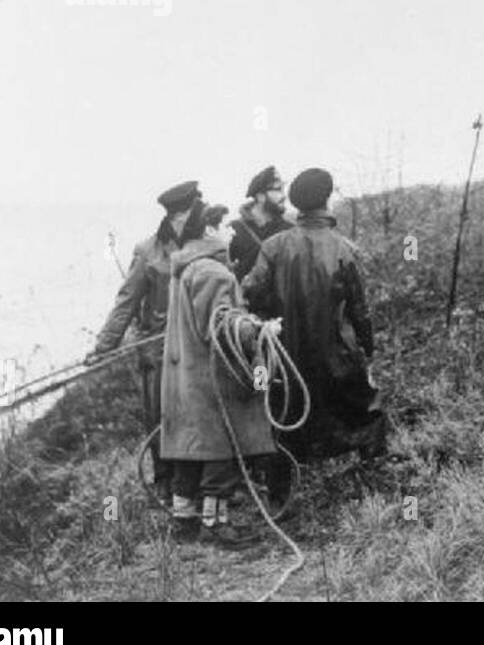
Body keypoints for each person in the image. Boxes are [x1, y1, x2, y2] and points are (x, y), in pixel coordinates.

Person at [161, 202, 282, 549]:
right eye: (221, 225)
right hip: (213, 378)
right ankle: (215, 524)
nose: (230, 231)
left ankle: (183, 518)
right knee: (222, 446)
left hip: (188, 374)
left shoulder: (186, 268)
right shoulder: (214, 273)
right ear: (208, 232)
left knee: (190, 447)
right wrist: (260, 329)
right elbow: (221, 325)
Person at [243, 167, 384, 462]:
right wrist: (367, 348)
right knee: (365, 414)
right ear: (326, 201)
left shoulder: (273, 247)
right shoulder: (345, 249)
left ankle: (282, 489)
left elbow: (250, 294)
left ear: (297, 205)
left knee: (287, 424)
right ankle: (374, 470)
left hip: (286, 358)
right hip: (337, 361)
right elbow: (360, 310)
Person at [86, 180, 202, 503]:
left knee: (195, 416)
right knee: (160, 418)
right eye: (196, 209)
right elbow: (126, 302)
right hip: (157, 350)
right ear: (180, 215)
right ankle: (165, 482)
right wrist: (103, 347)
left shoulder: (207, 245)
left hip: (194, 349)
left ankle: (194, 486)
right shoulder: (147, 252)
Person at [229, 165, 293, 283]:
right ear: (260, 196)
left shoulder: (290, 231)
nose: (284, 196)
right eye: (278, 190)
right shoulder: (233, 231)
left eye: (283, 190)